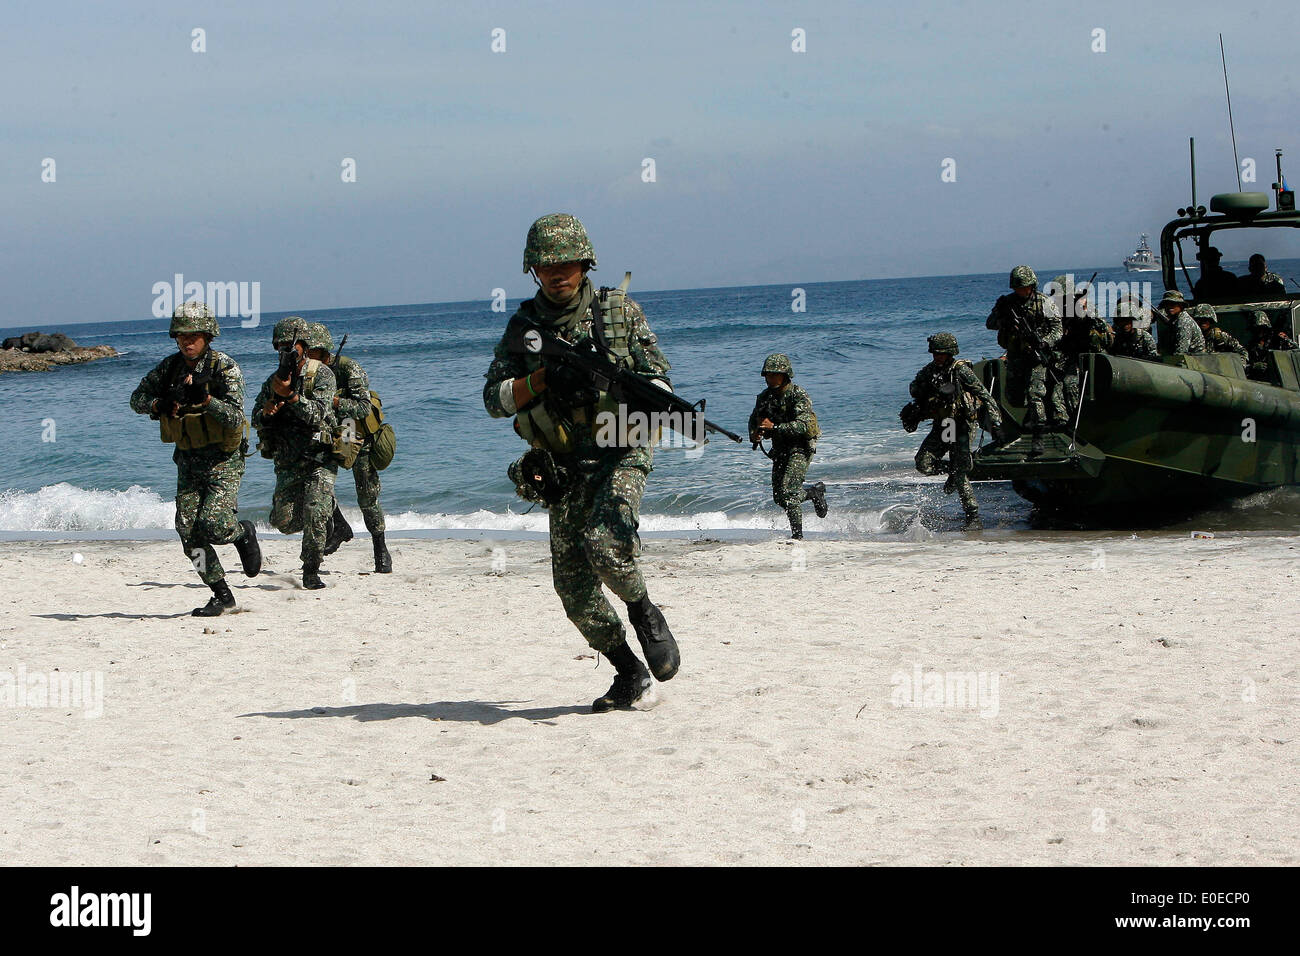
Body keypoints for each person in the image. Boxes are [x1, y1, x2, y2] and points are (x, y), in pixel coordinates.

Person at [483, 213, 680, 713]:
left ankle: (643, 612)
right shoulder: (524, 328)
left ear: (584, 262)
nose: (558, 272)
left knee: (606, 541)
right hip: (564, 461)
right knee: (572, 589)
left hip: (622, 444)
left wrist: (621, 384)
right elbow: (494, 398)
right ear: (533, 269)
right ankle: (629, 673)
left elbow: (659, 380)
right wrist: (542, 381)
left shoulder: (618, 312)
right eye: (547, 264)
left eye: (567, 262)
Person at [129, 302, 260, 616]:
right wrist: (159, 404)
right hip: (188, 459)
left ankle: (243, 532)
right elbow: (137, 399)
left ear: (208, 336)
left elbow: (234, 417)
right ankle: (221, 594)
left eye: (194, 335)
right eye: (181, 336)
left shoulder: (225, 368)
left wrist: (206, 400)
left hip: (223, 459)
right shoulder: (169, 368)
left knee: (214, 525)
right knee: (188, 531)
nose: (187, 342)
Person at [251, 318, 339, 589]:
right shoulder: (273, 380)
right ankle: (330, 515)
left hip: (319, 457)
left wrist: (290, 397)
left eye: (290, 347)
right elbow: (254, 418)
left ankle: (311, 570)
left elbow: (318, 414)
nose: (285, 352)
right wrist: (266, 411)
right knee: (284, 522)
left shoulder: (322, 375)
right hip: (288, 459)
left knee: (314, 512)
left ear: (304, 346)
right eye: (280, 347)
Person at [304, 322, 392, 573]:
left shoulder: (348, 368)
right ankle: (340, 526)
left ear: (324, 352)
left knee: (367, 494)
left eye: (312, 353)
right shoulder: (307, 373)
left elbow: (364, 407)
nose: (308, 359)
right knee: (317, 486)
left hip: (357, 434)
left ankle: (380, 548)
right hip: (329, 434)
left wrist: (332, 400)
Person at [908, 332, 1003, 531]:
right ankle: (954, 468)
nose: (938, 357)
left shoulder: (960, 371)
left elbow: (985, 395)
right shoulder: (930, 371)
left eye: (942, 353)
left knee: (960, 474)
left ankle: (972, 516)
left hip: (961, 424)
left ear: (950, 352)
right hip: (945, 425)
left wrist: (996, 423)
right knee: (923, 463)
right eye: (935, 353)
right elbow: (915, 388)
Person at [985, 265, 1064, 455]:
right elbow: (990, 324)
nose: (1021, 291)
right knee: (1014, 397)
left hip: (1036, 356)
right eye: (1018, 288)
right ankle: (1028, 421)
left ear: (1032, 285)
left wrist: (1045, 343)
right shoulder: (1007, 303)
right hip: (1015, 356)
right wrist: (1002, 317)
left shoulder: (1044, 303)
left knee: (1035, 394)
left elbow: (1058, 330)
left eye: (1025, 287)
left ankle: (1038, 435)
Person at [748, 353, 827, 540]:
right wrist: (755, 434)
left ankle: (797, 537)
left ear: (785, 375)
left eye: (775, 374)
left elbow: (803, 425)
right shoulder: (764, 398)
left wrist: (774, 427)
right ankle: (813, 493)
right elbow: (754, 420)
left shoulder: (798, 395)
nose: (771, 378)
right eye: (768, 374)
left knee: (790, 493)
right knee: (779, 497)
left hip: (801, 447)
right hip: (780, 448)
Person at [1057, 302, 1112, 417]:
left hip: (1096, 359)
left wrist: (1090, 314)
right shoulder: (1070, 322)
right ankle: (1075, 416)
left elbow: (1107, 340)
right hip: (1076, 360)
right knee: (1069, 384)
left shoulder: (1095, 320)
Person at [1246, 311, 1298, 381]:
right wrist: (1254, 366)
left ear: (1265, 327)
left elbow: (1295, 351)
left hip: (1280, 378)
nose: (1256, 332)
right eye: (1254, 329)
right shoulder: (1252, 345)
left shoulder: (1279, 338)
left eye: (1259, 328)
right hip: (1260, 381)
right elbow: (1244, 364)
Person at [1155, 290, 1206, 355]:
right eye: (1167, 304)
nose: (1170, 306)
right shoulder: (1174, 321)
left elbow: (1181, 352)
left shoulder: (1184, 322)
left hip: (1195, 359)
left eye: (1173, 303)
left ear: (1181, 306)